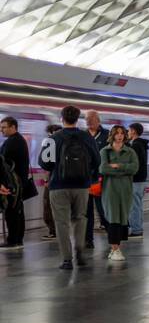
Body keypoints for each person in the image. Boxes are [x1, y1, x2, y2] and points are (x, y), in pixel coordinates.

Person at [40, 106, 100, 270]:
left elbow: (44, 162)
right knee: (80, 218)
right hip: (81, 186)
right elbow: (97, 160)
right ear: (78, 118)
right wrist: (89, 177)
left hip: (58, 185)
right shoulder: (87, 137)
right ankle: (79, 249)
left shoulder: (53, 138)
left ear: (62, 118)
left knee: (61, 222)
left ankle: (67, 259)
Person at [98, 125, 139, 262]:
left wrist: (118, 166)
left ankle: (114, 248)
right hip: (110, 190)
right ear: (112, 135)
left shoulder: (130, 152)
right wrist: (123, 169)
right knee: (113, 217)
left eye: (122, 133)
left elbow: (134, 168)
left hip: (125, 190)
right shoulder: (105, 151)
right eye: (117, 133)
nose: (120, 136)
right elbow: (103, 169)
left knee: (122, 218)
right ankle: (115, 249)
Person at [0, 117, 33, 250]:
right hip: (18, 182)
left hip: (13, 183)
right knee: (17, 210)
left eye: (4, 127)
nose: (1, 130)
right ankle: (17, 239)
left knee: (12, 210)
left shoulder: (13, 142)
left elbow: (3, 163)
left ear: (13, 127)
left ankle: (13, 239)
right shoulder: (17, 140)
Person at [83, 109, 109, 249]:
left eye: (91, 119)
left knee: (103, 209)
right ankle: (88, 239)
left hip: (102, 179)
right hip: (86, 179)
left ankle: (112, 236)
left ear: (98, 120)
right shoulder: (82, 135)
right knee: (87, 212)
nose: (88, 122)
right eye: (87, 119)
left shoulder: (107, 135)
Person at [127, 123, 149, 237]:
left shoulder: (135, 145)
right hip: (141, 179)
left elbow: (133, 164)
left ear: (134, 131)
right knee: (137, 205)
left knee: (134, 206)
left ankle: (136, 230)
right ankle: (137, 227)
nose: (128, 133)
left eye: (129, 131)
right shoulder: (142, 144)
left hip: (135, 179)